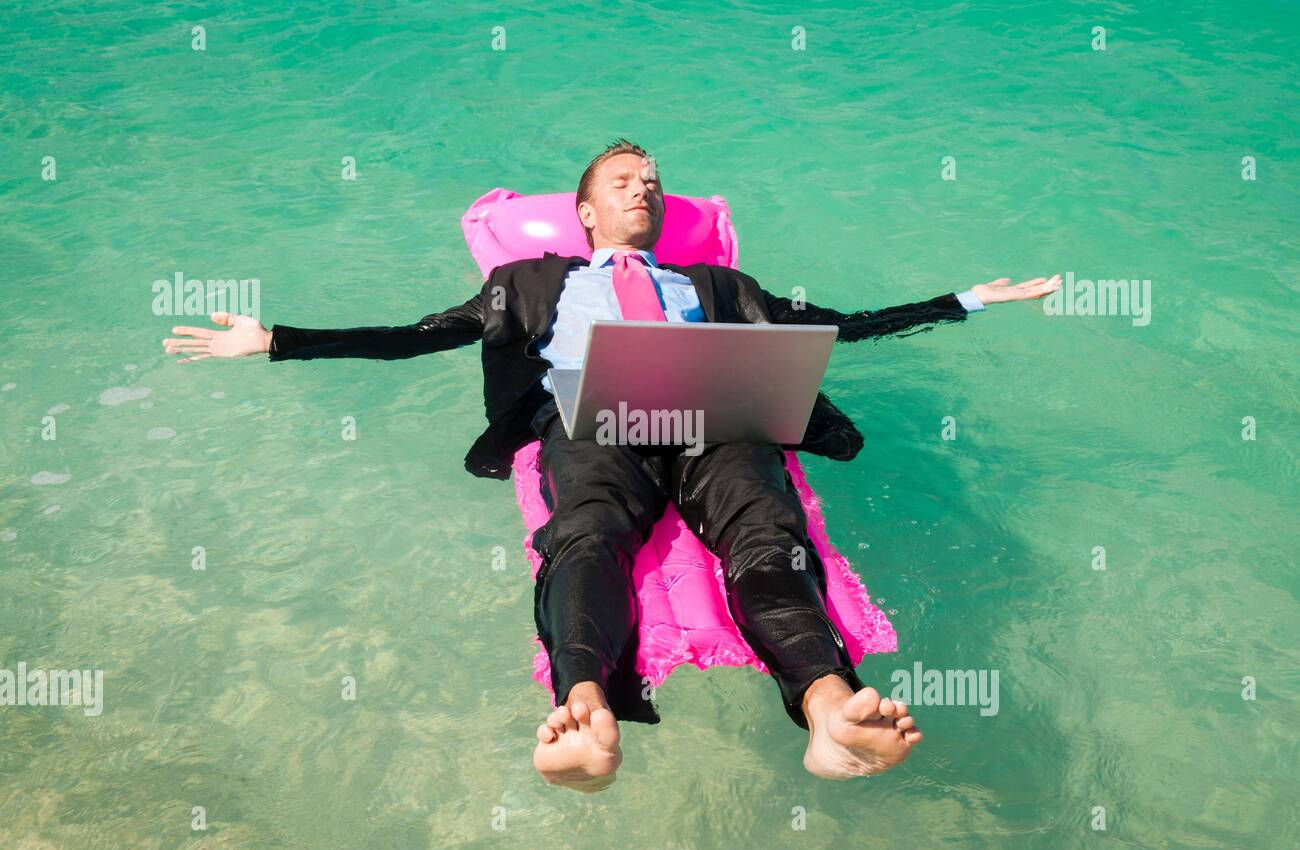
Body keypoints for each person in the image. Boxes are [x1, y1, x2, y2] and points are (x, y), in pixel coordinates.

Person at [163, 139, 1061, 792]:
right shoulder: (535, 284)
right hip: (599, 420)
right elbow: (412, 338)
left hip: (717, 414)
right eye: (625, 181)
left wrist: (973, 298)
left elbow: (838, 325)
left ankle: (828, 708)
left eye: (655, 183)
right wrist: (274, 340)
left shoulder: (719, 289)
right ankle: (586, 708)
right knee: (587, 534)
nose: (646, 189)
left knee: (766, 531)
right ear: (586, 212)